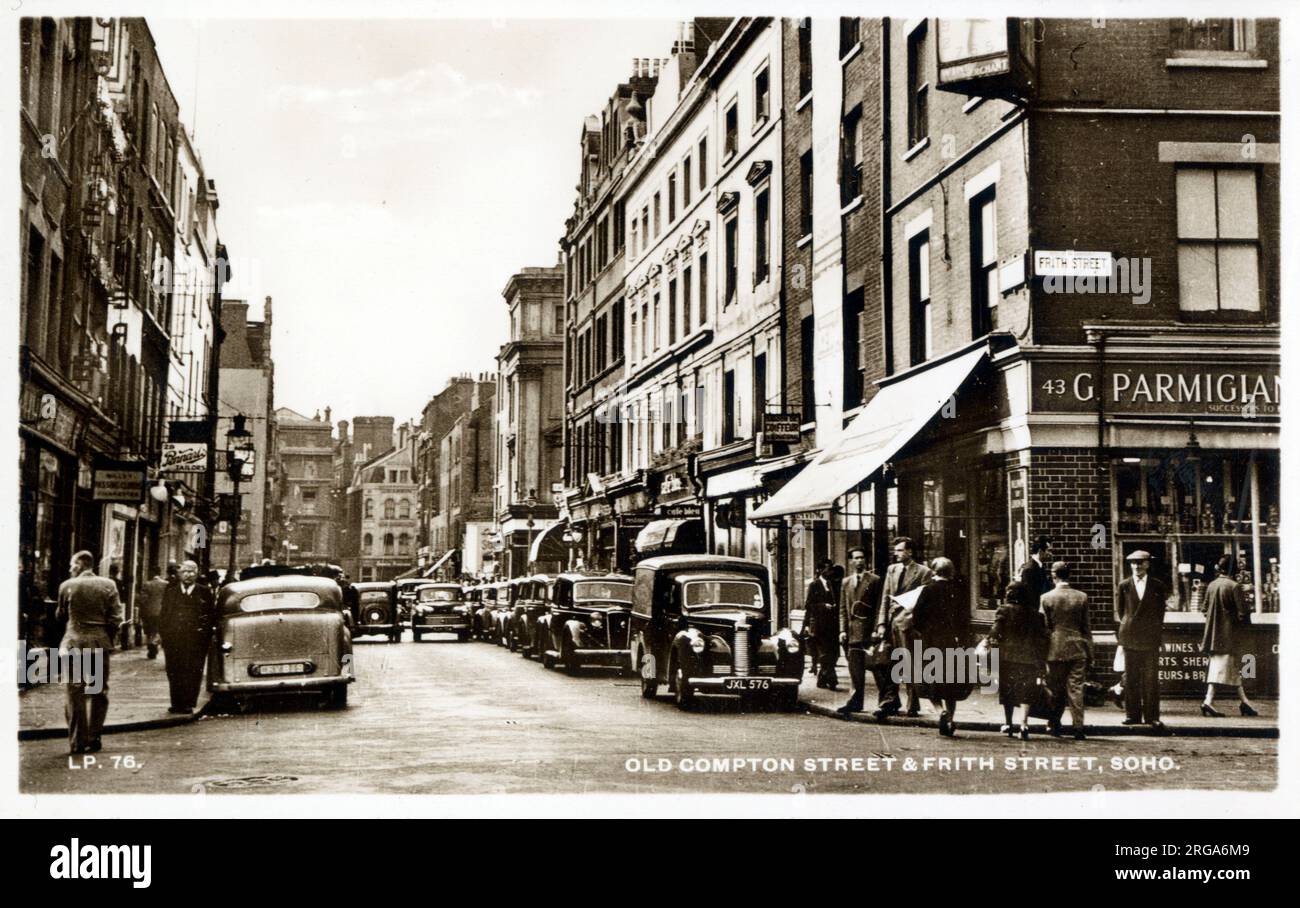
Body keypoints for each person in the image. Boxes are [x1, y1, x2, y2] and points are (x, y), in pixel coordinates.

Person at [55, 550, 123, 755]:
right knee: (98, 691)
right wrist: (105, 636)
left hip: (73, 643)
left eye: (72, 564)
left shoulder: (66, 586)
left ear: (80, 564)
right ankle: (95, 737)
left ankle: (77, 741)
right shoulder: (109, 585)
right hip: (98, 644)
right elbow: (115, 619)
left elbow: (60, 615)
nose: (70, 568)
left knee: (74, 692)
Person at [910, 557, 974, 736]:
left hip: (932, 642)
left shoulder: (928, 590)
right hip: (954, 643)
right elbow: (964, 619)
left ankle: (940, 712)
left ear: (933, 571)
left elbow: (917, 618)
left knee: (931, 682)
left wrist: (923, 631)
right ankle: (950, 718)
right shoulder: (959, 591)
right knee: (951, 684)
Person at [874, 537, 932, 718]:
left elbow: (925, 601)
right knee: (887, 662)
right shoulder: (892, 570)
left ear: (910, 552)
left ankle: (912, 703)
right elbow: (885, 596)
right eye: (896, 550)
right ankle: (888, 701)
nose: (896, 553)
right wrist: (882, 623)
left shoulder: (923, 572)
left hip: (909, 623)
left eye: (900, 550)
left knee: (909, 662)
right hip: (891, 623)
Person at [988, 579, 1047, 740]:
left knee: (1008, 691)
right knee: (1026, 692)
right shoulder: (1036, 615)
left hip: (1007, 657)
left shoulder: (1004, 611)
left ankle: (1009, 724)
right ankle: (1024, 724)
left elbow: (995, 632)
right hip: (1029, 658)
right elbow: (1042, 639)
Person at [1115, 550, 1169, 729]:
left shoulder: (1157, 586)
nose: (1137, 566)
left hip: (1150, 637)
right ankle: (1132, 715)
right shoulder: (1124, 585)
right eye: (1133, 563)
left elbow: (1160, 612)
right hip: (1130, 636)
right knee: (1131, 678)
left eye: (1140, 562)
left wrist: (1153, 629)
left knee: (1151, 678)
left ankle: (1152, 716)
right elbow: (1122, 611)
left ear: (1147, 564)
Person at [1199, 555, 1258, 717]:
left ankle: (1244, 703)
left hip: (1214, 637)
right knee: (1223, 670)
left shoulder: (1212, 585)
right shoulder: (1234, 586)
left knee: (1230, 670)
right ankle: (1208, 701)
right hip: (1230, 636)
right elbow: (1242, 613)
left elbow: (1204, 609)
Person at [1042, 561, 1092, 740]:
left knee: (1055, 688)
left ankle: (1054, 725)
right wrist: (1090, 652)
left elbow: (1045, 628)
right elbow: (1086, 627)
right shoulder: (1081, 597)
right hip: (1078, 648)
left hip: (1055, 649)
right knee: (1076, 688)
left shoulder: (1046, 598)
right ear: (1069, 575)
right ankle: (1078, 727)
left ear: (1054, 576)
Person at [159, 560, 216, 714]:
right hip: (173, 640)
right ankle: (176, 702)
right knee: (174, 670)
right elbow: (164, 615)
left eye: (191, 571)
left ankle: (189, 702)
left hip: (196, 641)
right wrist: (163, 636)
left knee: (192, 670)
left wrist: (204, 636)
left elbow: (211, 616)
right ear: (179, 574)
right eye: (185, 571)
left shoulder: (204, 592)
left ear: (197, 574)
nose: (188, 575)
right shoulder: (171, 592)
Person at [835, 547, 882, 715]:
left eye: (862, 558)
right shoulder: (846, 582)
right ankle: (855, 702)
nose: (859, 561)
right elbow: (842, 609)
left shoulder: (875, 580)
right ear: (851, 561)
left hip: (869, 633)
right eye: (856, 558)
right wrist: (842, 630)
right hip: (852, 633)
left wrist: (877, 628)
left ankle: (885, 703)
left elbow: (878, 608)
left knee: (878, 669)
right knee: (855, 671)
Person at [805, 559, 839, 690]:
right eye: (827, 569)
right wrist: (824, 606)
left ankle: (822, 679)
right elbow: (809, 605)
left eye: (830, 568)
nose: (830, 571)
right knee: (825, 653)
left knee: (833, 653)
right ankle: (832, 680)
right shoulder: (814, 585)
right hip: (820, 625)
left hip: (832, 625)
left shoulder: (832, 584)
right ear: (820, 570)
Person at [138, 563, 176, 659]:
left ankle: (152, 645)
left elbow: (143, 600)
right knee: (157, 630)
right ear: (160, 573)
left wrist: (143, 611)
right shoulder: (166, 584)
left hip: (149, 612)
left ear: (151, 573)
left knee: (150, 630)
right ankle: (154, 645)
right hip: (162, 612)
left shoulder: (147, 584)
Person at [1019, 536, 1054, 611]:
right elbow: (1030, 597)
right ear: (1040, 551)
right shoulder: (1030, 569)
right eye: (1049, 550)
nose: (1050, 554)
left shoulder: (1039, 567)